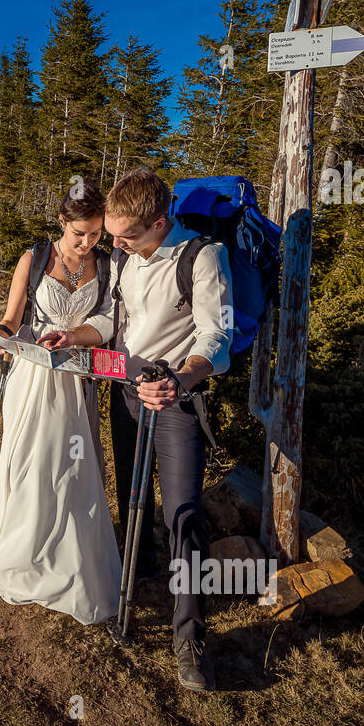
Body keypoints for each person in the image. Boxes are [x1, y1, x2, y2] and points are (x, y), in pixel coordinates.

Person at [94, 167, 234, 692]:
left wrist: (181, 379)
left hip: (178, 396)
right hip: (127, 386)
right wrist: (74, 336)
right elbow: (113, 323)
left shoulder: (201, 256)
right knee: (132, 494)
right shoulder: (124, 259)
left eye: (128, 236)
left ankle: (190, 636)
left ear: (159, 221)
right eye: (114, 237)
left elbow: (216, 333)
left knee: (185, 512)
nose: (119, 246)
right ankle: (136, 578)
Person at [0, 185, 122, 626]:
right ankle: (22, 548)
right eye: (80, 233)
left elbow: (110, 320)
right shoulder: (34, 259)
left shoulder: (108, 264)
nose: (88, 242)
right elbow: (12, 317)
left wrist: (78, 337)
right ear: (62, 223)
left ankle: (74, 560)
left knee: (73, 466)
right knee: (29, 462)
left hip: (77, 377)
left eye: (96, 233)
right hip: (33, 377)